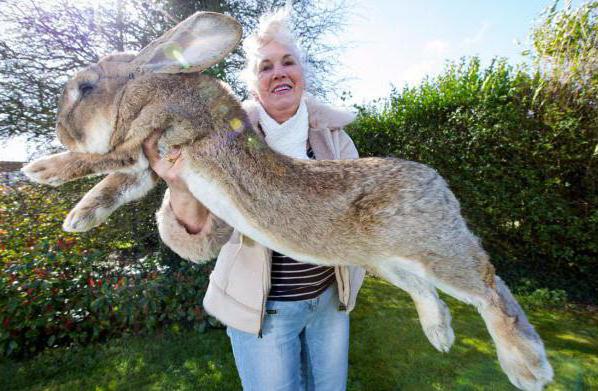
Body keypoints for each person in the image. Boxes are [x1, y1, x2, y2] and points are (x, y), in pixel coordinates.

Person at [143, 9, 365, 391]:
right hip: (262, 314)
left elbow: (360, 214)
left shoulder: (335, 140)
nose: (278, 72)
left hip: (329, 305)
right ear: (254, 86)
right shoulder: (221, 142)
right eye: (266, 67)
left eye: (287, 62)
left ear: (302, 75)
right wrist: (180, 188)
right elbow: (199, 240)